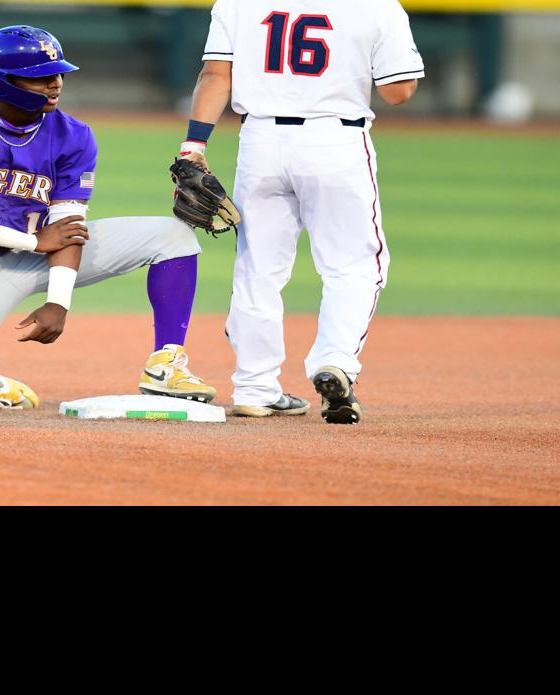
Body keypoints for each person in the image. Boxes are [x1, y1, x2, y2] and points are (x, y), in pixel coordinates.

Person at [0, 24, 217, 412]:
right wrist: (33, 241)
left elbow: (68, 224)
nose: (55, 83)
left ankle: (165, 365)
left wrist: (58, 301)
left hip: (38, 257)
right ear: (1, 81)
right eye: (40, 77)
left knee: (172, 235)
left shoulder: (74, 135)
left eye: (57, 74)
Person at [180, 1, 423, 422]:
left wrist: (194, 146)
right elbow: (397, 91)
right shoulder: (377, 6)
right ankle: (336, 361)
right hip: (335, 140)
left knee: (258, 269)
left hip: (260, 143)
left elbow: (215, 76)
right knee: (353, 264)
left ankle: (255, 387)